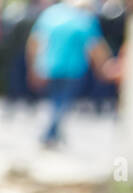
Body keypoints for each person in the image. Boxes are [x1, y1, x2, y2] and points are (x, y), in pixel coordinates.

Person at [28, 0, 118, 146]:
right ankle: (51, 132)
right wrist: (104, 68)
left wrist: (33, 67)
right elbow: (97, 47)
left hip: (49, 66)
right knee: (63, 101)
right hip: (72, 68)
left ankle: (55, 132)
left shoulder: (50, 14)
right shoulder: (83, 18)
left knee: (56, 100)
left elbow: (34, 42)